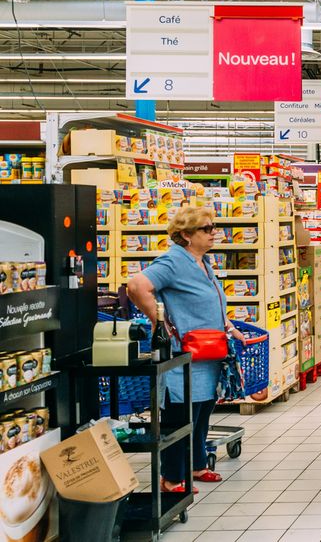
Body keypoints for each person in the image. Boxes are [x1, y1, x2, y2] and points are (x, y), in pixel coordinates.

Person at [126, 206, 245, 494]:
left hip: (210, 350)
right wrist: (159, 320)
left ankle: (197, 465)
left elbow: (208, 300)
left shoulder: (203, 262)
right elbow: (136, 286)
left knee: (203, 409)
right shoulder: (173, 262)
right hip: (186, 352)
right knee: (180, 414)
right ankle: (171, 478)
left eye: (213, 227)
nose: (213, 232)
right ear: (185, 235)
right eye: (206, 228)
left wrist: (228, 325)